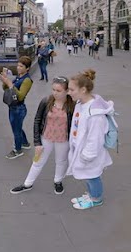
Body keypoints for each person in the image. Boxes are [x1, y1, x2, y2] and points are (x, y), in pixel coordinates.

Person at [10, 77, 74, 195]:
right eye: (53, 89)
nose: (55, 93)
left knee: (61, 161)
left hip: (63, 139)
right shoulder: (46, 101)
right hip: (46, 138)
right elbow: (37, 120)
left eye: (58, 90)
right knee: (38, 161)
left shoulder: (72, 105)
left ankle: (58, 181)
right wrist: (37, 142)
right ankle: (27, 184)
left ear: (66, 91)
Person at [66, 69, 115, 210]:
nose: (69, 92)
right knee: (87, 176)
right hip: (81, 149)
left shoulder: (95, 114)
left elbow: (95, 138)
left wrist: (87, 155)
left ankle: (96, 198)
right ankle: (91, 194)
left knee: (92, 176)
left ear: (83, 89)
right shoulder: (81, 104)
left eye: (71, 89)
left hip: (89, 154)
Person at [1, 56, 34, 159]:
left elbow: (20, 96)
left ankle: (17, 150)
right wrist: (5, 80)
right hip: (12, 107)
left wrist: (10, 84)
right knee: (17, 128)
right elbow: (5, 88)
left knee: (16, 130)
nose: (18, 68)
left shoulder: (27, 80)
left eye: (21, 66)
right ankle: (25, 143)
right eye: (18, 65)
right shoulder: (19, 77)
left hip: (19, 109)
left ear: (27, 68)